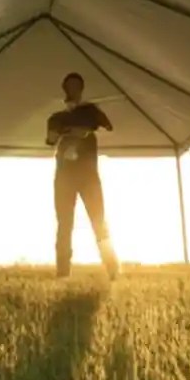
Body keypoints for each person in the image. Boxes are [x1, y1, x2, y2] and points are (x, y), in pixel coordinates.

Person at [45, 72, 121, 280]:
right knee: (64, 223)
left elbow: (109, 127)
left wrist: (85, 129)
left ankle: (112, 268)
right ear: (64, 89)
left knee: (98, 220)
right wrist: (66, 132)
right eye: (69, 86)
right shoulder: (56, 117)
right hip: (64, 176)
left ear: (81, 88)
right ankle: (62, 272)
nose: (73, 89)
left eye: (76, 85)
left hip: (89, 175)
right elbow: (51, 140)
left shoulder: (91, 111)